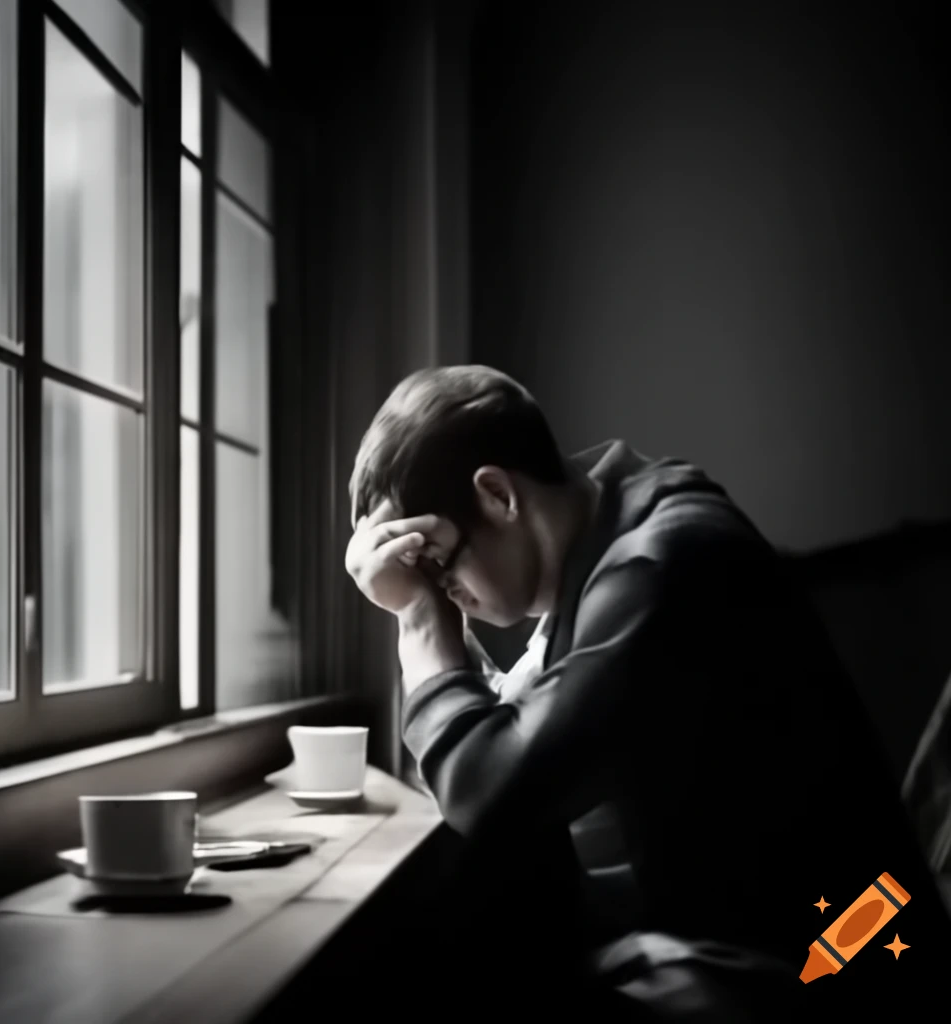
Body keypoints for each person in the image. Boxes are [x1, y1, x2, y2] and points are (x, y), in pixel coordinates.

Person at [343, 365, 951, 1018]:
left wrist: (416, 621)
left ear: (496, 494)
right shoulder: (607, 531)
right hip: (778, 938)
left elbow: (487, 792)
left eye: (435, 564)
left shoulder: (660, 564)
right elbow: (508, 745)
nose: (440, 592)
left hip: (840, 961)